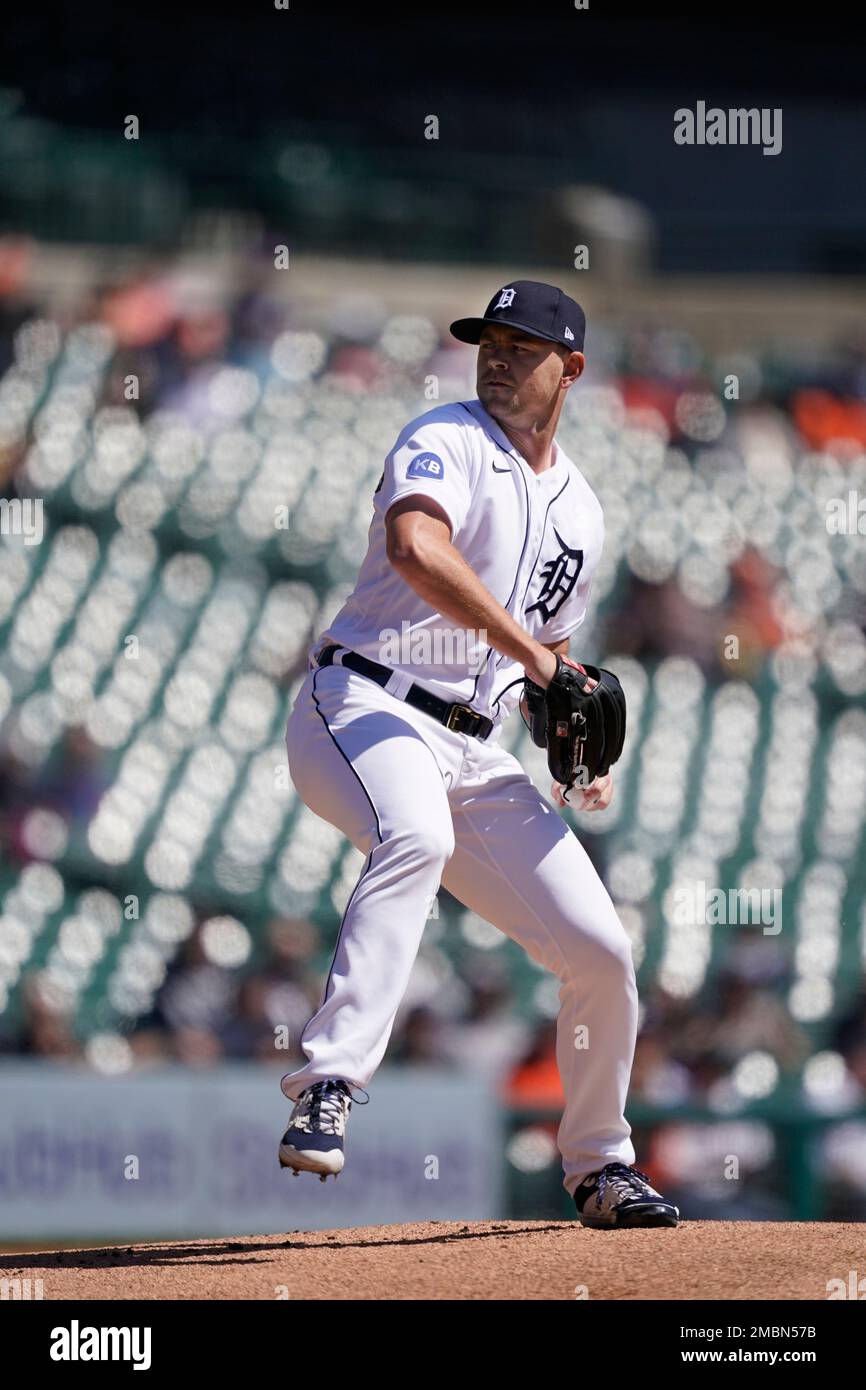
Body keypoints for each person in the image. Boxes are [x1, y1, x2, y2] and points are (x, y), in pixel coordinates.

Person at [279, 281, 679, 1229]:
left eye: (521, 345)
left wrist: (572, 744)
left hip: (478, 748)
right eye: (487, 340)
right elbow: (416, 547)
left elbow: (555, 658)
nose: (496, 356)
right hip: (363, 701)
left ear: (570, 369)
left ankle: (599, 1166)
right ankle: (329, 1081)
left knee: (600, 952)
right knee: (411, 832)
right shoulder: (446, 437)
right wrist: (540, 658)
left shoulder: (581, 510)